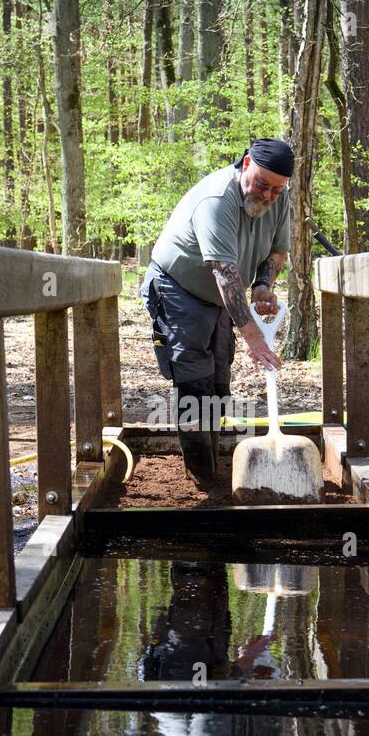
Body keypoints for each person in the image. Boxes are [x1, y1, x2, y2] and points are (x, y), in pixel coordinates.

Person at [142, 138, 293, 492]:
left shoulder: (280, 197)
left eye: (276, 188)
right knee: (194, 381)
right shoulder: (216, 201)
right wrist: (255, 339)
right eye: (262, 184)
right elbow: (224, 273)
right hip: (179, 286)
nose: (269, 195)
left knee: (218, 383)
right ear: (245, 165)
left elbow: (277, 251)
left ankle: (212, 464)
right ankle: (205, 480)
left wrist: (261, 286)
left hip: (223, 295)